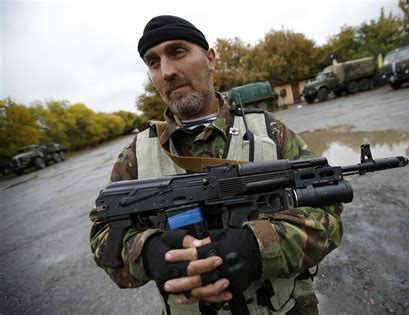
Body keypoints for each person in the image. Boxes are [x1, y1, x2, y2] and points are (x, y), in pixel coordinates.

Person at [89, 15, 343, 315]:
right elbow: (104, 234)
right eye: (153, 62)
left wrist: (258, 248)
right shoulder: (136, 155)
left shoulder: (270, 133)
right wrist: (148, 253)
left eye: (178, 52)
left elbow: (328, 214)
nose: (167, 71)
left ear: (210, 59)